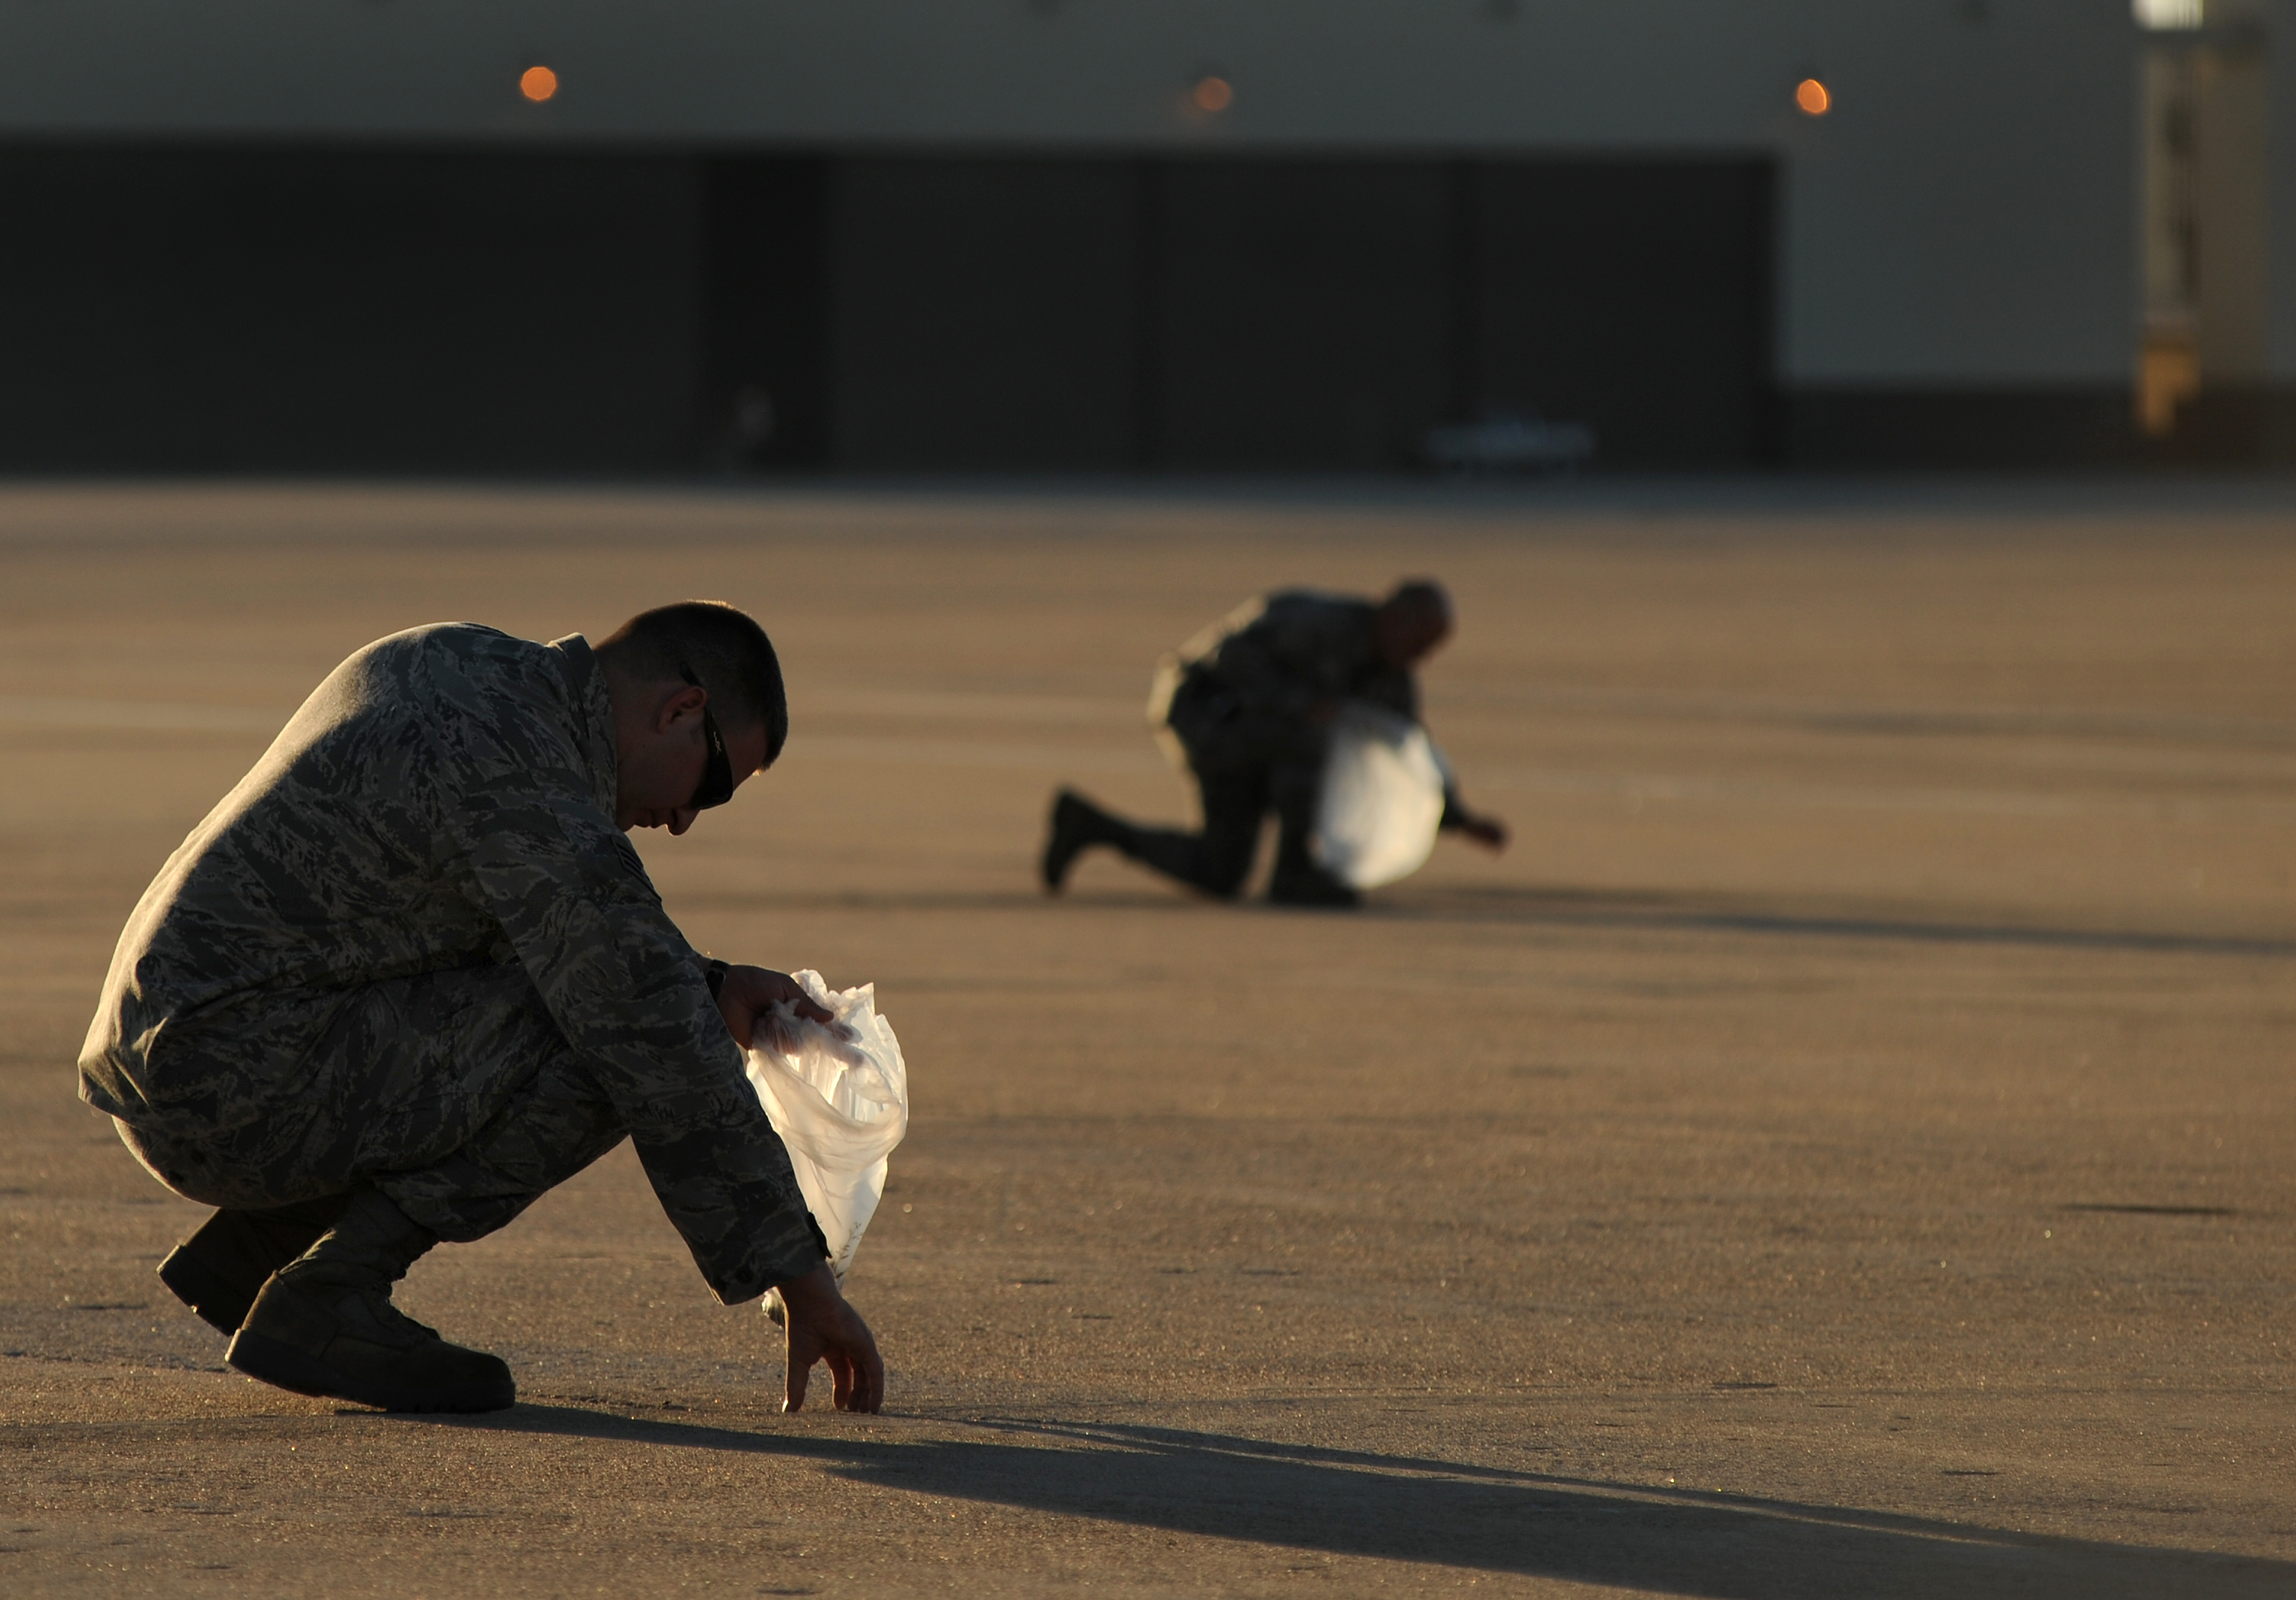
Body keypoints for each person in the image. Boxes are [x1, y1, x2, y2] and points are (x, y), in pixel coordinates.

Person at [78, 602, 883, 1417]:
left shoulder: (466, 668)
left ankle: (253, 1251)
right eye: (710, 787)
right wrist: (804, 1280)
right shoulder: (515, 758)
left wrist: (710, 982)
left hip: (197, 1049)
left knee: (617, 986)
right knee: (622, 1033)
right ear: (682, 710)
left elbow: (555, 929)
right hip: (230, 1084)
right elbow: (645, 1019)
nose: (681, 822)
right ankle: (331, 1292)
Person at [1042, 580, 1509, 908]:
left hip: (1253, 735)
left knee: (1220, 873)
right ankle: (1297, 870)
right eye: (1421, 641)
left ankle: (1089, 825)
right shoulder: (1321, 625)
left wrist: (1460, 819)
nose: (1423, 657)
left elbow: (1407, 752)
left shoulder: (1392, 677)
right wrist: (1299, 702)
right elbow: (1231, 658)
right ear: (1393, 616)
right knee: (1312, 736)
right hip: (1207, 713)